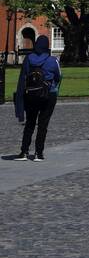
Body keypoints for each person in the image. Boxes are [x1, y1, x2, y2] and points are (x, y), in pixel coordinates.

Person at [15, 34, 62, 162]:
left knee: (30, 123)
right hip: (48, 94)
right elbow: (58, 76)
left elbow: (23, 77)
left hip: (31, 95)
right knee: (43, 124)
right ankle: (38, 153)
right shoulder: (53, 60)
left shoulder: (28, 58)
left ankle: (24, 151)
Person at [13, 25, 37, 126]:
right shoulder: (50, 60)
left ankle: (28, 118)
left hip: (29, 86)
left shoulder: (28, 59)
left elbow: (23, 76)